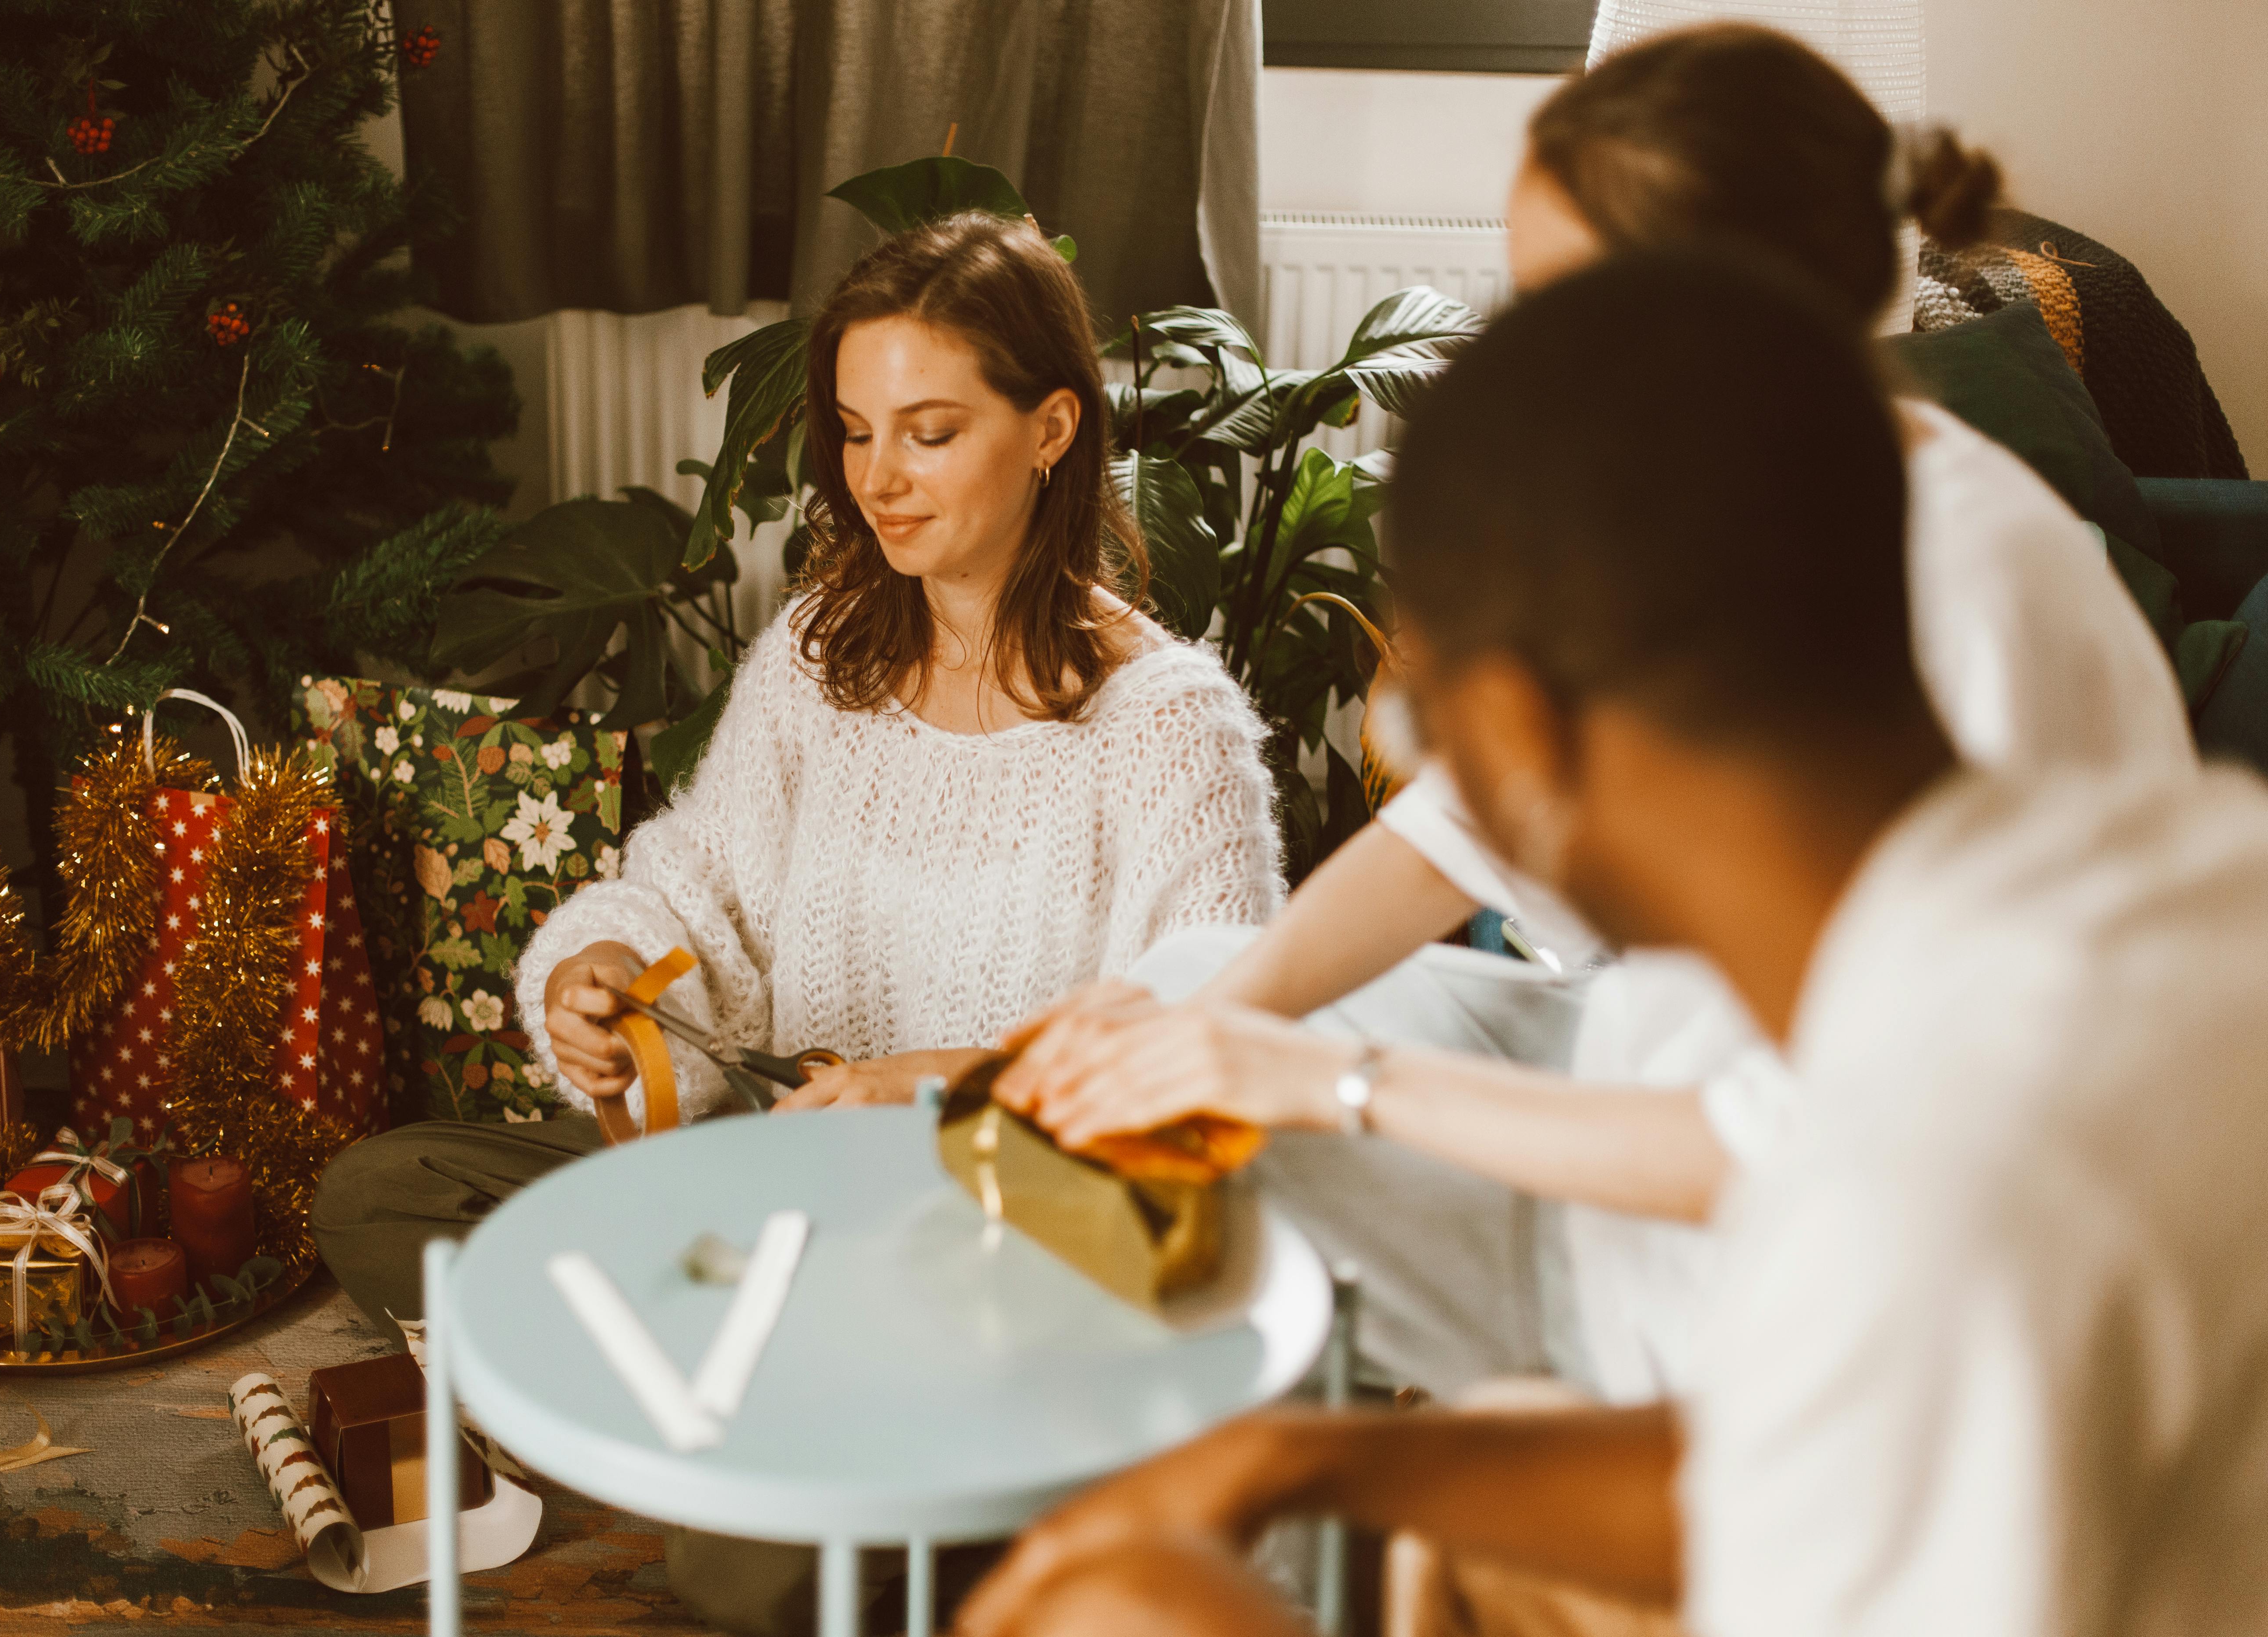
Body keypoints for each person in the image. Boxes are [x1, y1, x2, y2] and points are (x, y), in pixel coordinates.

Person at [961, 247, 2268, 1637]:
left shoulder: (1907, 1195)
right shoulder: (2195, 876)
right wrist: (1312, 1457)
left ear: (1514, 739)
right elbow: (1788, 1477)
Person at [1003, 22, 2195, 1403]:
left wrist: (1329, 1088)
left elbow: (1844, 1148)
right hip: (1620, 1057)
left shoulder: (1969, 604)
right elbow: (1459, 838)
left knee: (1202, 1178)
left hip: (1767, 1266)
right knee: (1173, 993)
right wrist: (1217, 1028)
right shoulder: (1714, 488)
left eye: (1573, 308)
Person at [312, 209, 1282, 1635]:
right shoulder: (825, 652)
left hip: (998, 1239)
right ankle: (792, 1385)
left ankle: (849, 1429)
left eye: (930, 432)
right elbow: (700, 881)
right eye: (854, 430)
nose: (878, 481)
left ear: (1053, 428)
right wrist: (603, 969)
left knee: (743, 1576)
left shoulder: (1169, 731)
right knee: (385, 1197)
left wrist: (925, 1090)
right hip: (767, 1180)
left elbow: (1202, 1083)